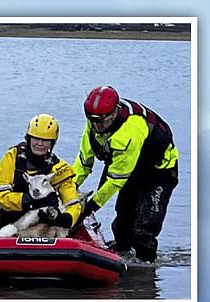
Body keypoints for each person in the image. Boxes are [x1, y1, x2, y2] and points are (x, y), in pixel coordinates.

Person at [72, 86, 179, 264]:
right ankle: (122, 259)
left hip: (159, 172)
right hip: (128, 167)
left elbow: (115, 180)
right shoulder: (93, 121)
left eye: (101, 120)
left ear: (114, 113)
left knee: (144, 230)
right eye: (92, 119)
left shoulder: (130, 130)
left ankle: (147, 270)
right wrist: (67, 187)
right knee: (122, 225)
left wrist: (90, 207)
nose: (97, 125)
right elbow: (84, 162)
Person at [0, 114, 86, 239]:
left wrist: (68, 217)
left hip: (41, 220)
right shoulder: (11, 158)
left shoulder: (59, 169)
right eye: (36, 138)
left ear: (52, 143)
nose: (40, 143)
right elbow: (0, 197)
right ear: (28, 138)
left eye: (45, 140)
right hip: (6, 216)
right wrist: (30, 201)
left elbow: (71, 201)